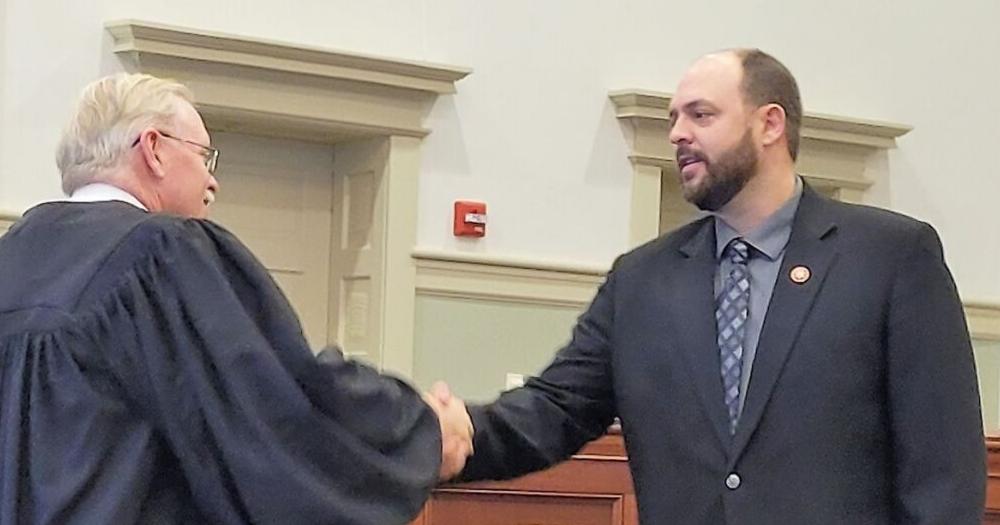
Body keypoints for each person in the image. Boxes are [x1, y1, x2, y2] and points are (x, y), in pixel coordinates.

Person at [447, 49, 986, 523]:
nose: (678, 134)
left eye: (700, 115)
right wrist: (443, 434)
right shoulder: (641, 280)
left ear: (769, 124)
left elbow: (943, 466)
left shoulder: (890, 257)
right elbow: (556, 409)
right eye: (673, 119)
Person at [0, 72, 472, 524]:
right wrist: (420, 430)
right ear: (154, 149)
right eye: (203, 157)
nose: (212, 182)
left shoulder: (13, 254)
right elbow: (279, 401)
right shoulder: (164, 253)